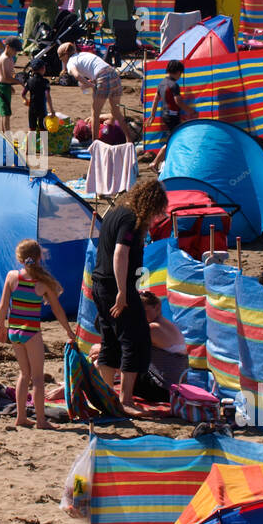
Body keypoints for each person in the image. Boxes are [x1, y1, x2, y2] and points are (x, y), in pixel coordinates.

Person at [92, 178, 169, 415]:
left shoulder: (115, 213)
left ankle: (106, 396)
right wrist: (123, 292)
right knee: (135, 340)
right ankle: (125, 400)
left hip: (100, 283)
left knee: (111, 340)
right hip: (116, 288)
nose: (155, 217)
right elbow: (119, 254)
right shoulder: (130, 219)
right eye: (156, 211)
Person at [0, 240, 76, 429]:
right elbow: (58, 310)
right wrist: (68, 330)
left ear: (20, 259)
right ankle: (41, 421)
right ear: (39, 258)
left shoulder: (12, 276)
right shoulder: (42, 284)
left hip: (14, 331)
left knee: (24, 374)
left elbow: (3, 306)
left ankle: (21, 417)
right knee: (38, 379)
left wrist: (1, 327)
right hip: (31, 332)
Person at [58, 42, 127, 141]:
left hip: (103, 77)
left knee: (95, 113)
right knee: (115, 112)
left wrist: (90, 85)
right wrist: (91, 82)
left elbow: (77, 75)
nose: (62, 61)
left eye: (61, 58)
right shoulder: (84, 54)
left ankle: (95, 143)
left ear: (65, 55)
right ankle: (129, 140)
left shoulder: (70, 62)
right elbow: (96, 68)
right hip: (113, 73)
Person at [135, 292, 189, 404]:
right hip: (176, 390)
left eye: (144, 311)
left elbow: (126, 349)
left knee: (115, 360)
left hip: (163, 391)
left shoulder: (153, 328)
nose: (140, 316)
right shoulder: (169, 325)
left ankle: (116, 398)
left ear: (157, 307)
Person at [0, 35, 22, 134]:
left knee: (6, 112)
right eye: (14, 50)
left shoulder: (10, 58)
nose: (15, 53)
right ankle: (7, 134)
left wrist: (11, 85)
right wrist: (18, 82)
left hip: (6, 86)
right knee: (5, 113)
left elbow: (11, 73)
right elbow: (5, 77)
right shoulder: (5, 58)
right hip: (2, 86)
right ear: (7, 47)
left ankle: (5, 134)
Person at [22, 56, 55, 135]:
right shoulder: (45, 81)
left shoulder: (29, 81)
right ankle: (44, 147)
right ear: (42, 69)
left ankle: (30, 147)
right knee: (43, 129)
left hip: (32, 108)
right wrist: (52, 110)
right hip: (41, 108)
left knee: (32, 129)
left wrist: (27, 101)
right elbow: (47, 96)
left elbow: (23, 94)